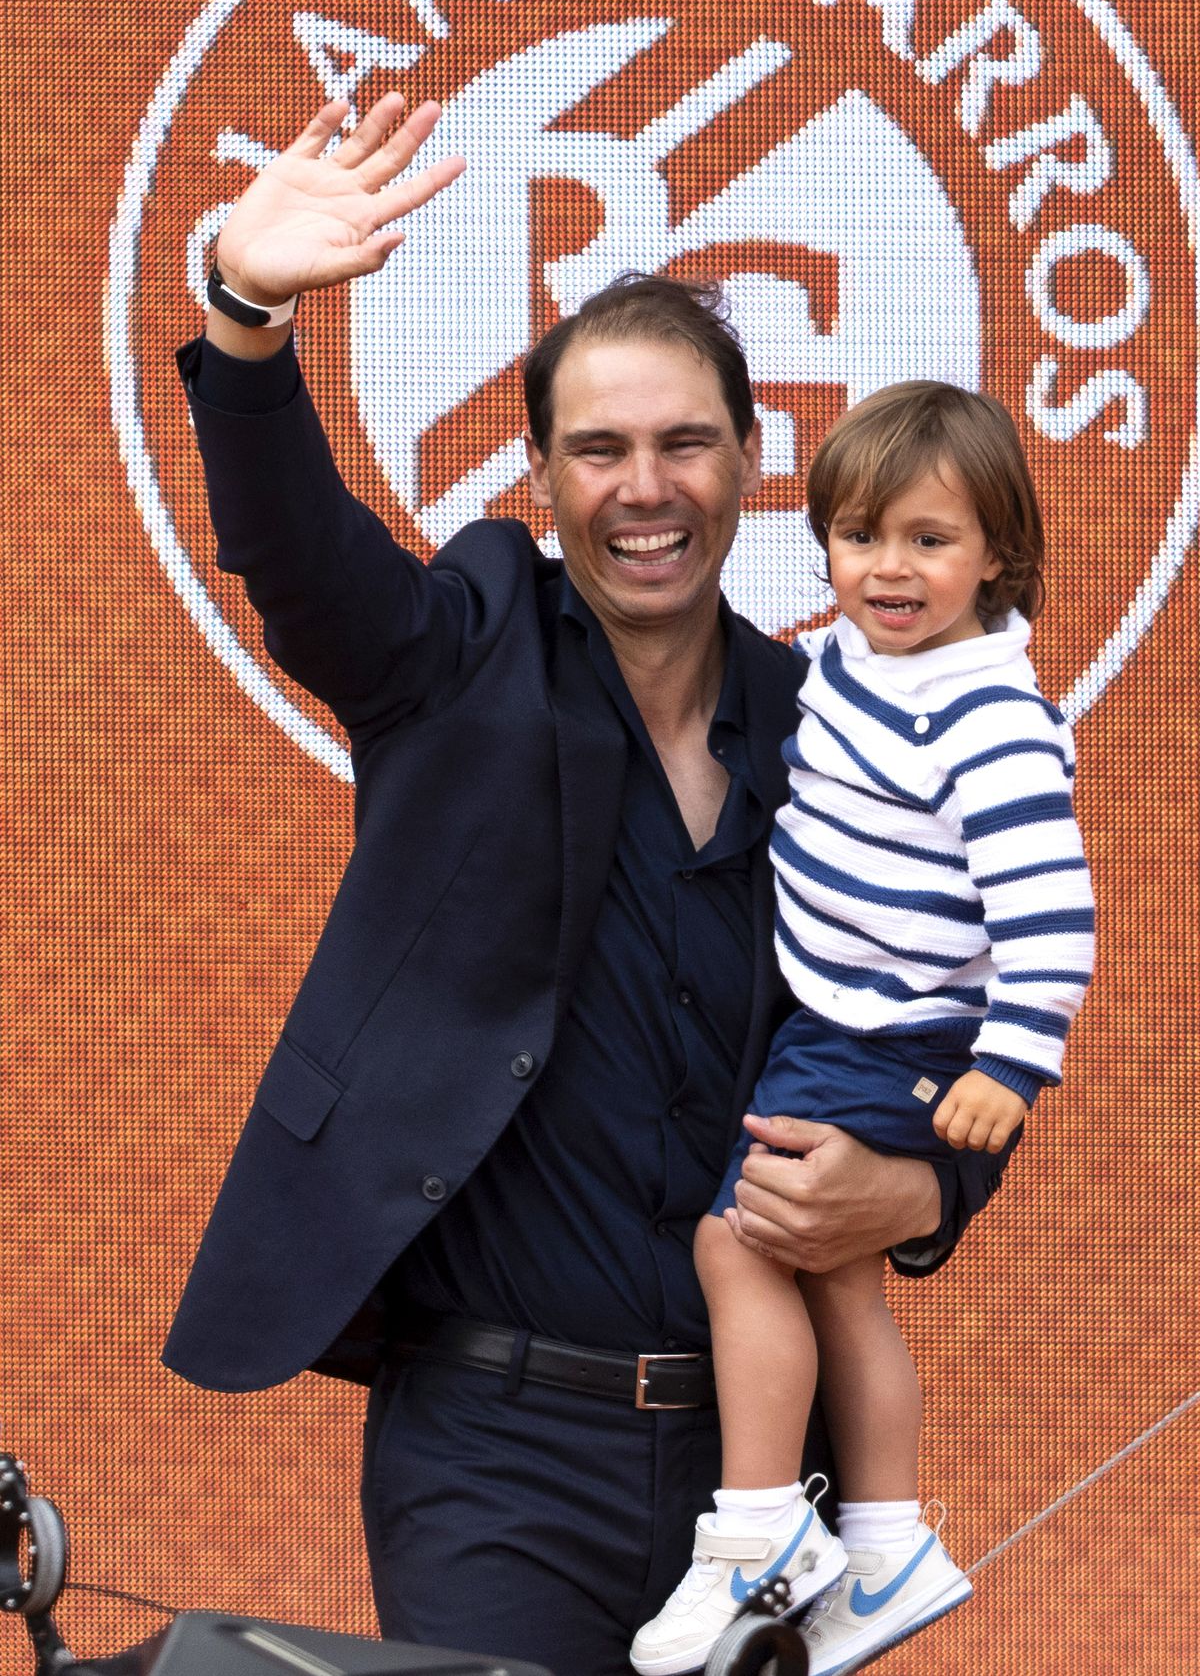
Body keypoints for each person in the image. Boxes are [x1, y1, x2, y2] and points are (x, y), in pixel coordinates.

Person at [164, 93, 1011, 1676]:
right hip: (493, 1450)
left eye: (686, 441)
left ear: (755, 461)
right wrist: (249, 314)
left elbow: (941, 1012)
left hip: (767, 1469)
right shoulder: (464, 642)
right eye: (599, 448)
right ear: (541, 473)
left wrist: (921, 1193)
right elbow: (295, 558)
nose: (647, 486)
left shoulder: (837, 723)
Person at [630, 381, 1095, 1676]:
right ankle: (886, 1544)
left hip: (895, 1043)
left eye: (929, 540)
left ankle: (762, 1528)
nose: (888, 568)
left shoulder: (988, 717)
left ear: (995, 551)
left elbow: (1054, 916)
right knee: (833, 1274)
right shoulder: (843, 657)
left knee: (737, 1246)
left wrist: (1011, 1062)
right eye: (858, 535)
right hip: (837, 1025)